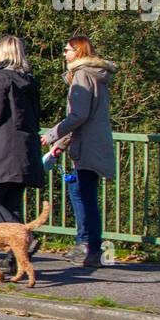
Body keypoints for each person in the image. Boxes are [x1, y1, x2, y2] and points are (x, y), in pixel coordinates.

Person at [42, 35, 117, 268]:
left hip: (86, 148)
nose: (64, 54)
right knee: (84, 196)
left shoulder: (83, 75)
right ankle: (87, 246)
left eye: (67, 50)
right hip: (92, 145)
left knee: (82, 197)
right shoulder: (96, 76)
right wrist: (58, 147)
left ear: (79, 52)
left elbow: (78, 116)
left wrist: (52, 135)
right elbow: (82, 119)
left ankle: (87, 247)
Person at [0, 36, 44, 271]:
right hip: (24, 151)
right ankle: (13, 260)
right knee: (11, 204)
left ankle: (24, 237)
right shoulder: (29, 82)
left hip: (1, 151)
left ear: (0, 54)